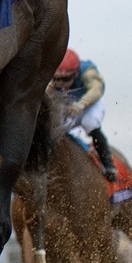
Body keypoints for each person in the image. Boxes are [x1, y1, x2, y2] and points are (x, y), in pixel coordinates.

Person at [52, 48, 116, 182]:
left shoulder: (87, 71)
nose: (61, 84)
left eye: (65, 80)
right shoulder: (51, 76)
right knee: (56, 130)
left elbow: (96, 89)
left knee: (90, 122)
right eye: (57, 79)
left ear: (75, 74)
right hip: (69, 109)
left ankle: (108, 165)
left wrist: (81, 104)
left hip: (90, 106)